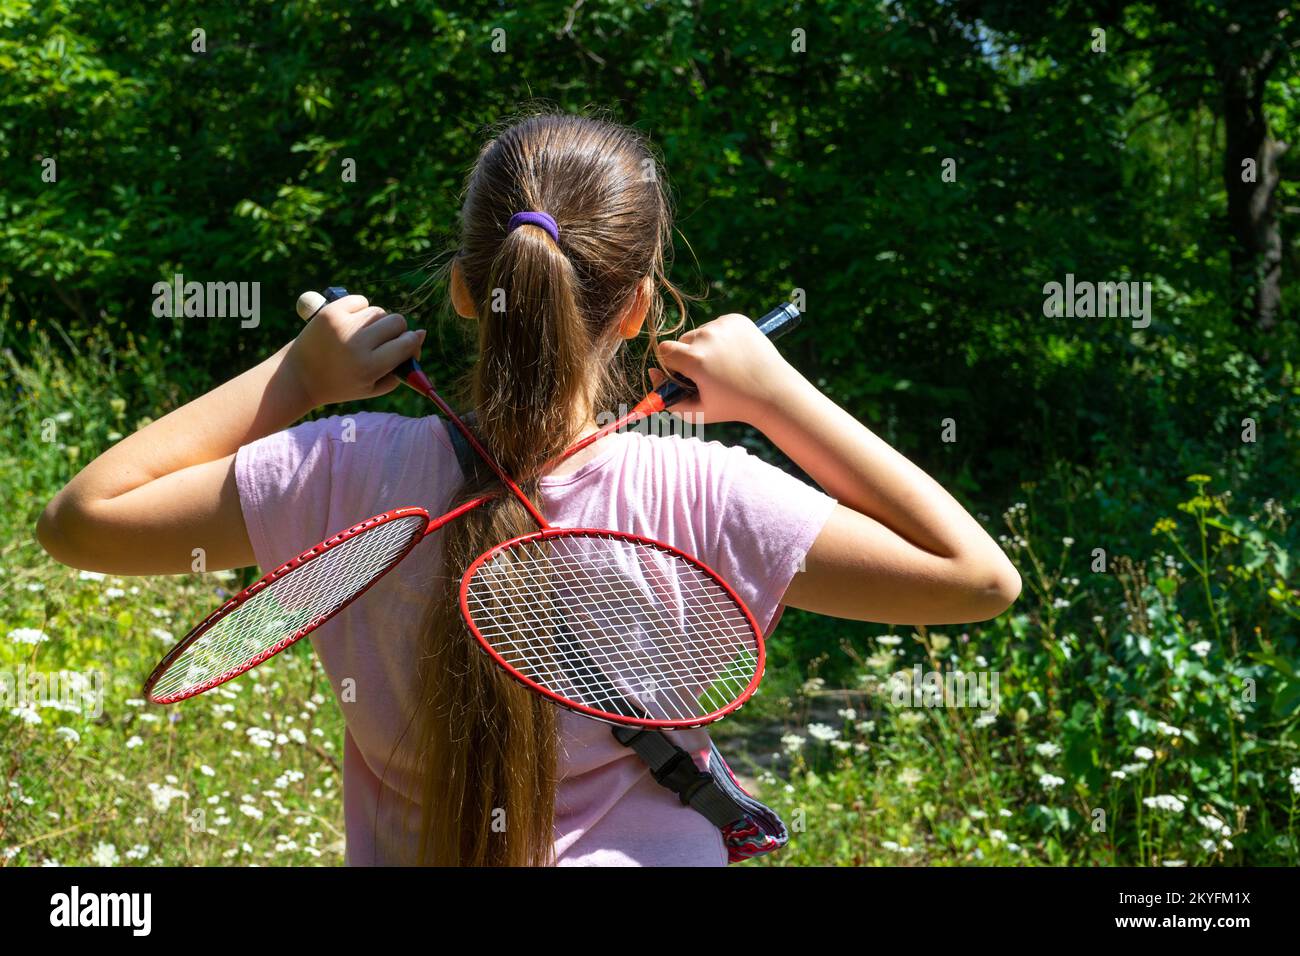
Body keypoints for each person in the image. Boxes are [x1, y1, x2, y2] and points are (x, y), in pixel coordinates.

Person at [36, 111, 1020, 866]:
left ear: (467, 288)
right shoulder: (705, 491)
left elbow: (83, 521)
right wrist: (777, 397)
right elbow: (976, 578)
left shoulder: (335, 465)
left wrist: (296, 377)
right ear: (636, 308)